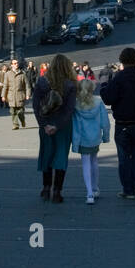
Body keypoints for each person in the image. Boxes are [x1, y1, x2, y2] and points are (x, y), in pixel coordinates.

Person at [100, 46, 135, 198]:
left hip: (123, 122)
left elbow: (108, 99)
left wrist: (103, 84)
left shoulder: (119, 78)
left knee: (124, 158)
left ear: (122, 60)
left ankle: (128, 190)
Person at [32, 54, 78, 203]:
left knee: (47, 155)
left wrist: (44, 124)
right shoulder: (70, 84)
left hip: (45, 124)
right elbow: (69, 109)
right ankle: (57, 191)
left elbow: (36, 106)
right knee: (60, 156)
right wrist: (57, 126)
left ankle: (45, 188)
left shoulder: (42, 82)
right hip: (62, 126)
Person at [71, 78, 111, 204]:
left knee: (85, 163)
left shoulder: (76, 104)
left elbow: (74, 124)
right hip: (95, 137)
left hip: (82, 137)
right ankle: (95, 188)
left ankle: (89, 193)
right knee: (94, 161)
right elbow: (105, 122)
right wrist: (106, 136)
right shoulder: (98, 103)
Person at [3, 58, 30, 130]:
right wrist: (3, 96)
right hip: (11, 96)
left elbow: (27, 86)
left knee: (20, 112)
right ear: (11, 65)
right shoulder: (8, 74)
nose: (16, 64)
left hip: (20, 96)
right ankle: (15, 125)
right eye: (14, 63)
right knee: (13, 112)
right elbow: (5, 86)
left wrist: (28, 94)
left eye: (17, 63)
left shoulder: (22, 74)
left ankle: (23, 120)